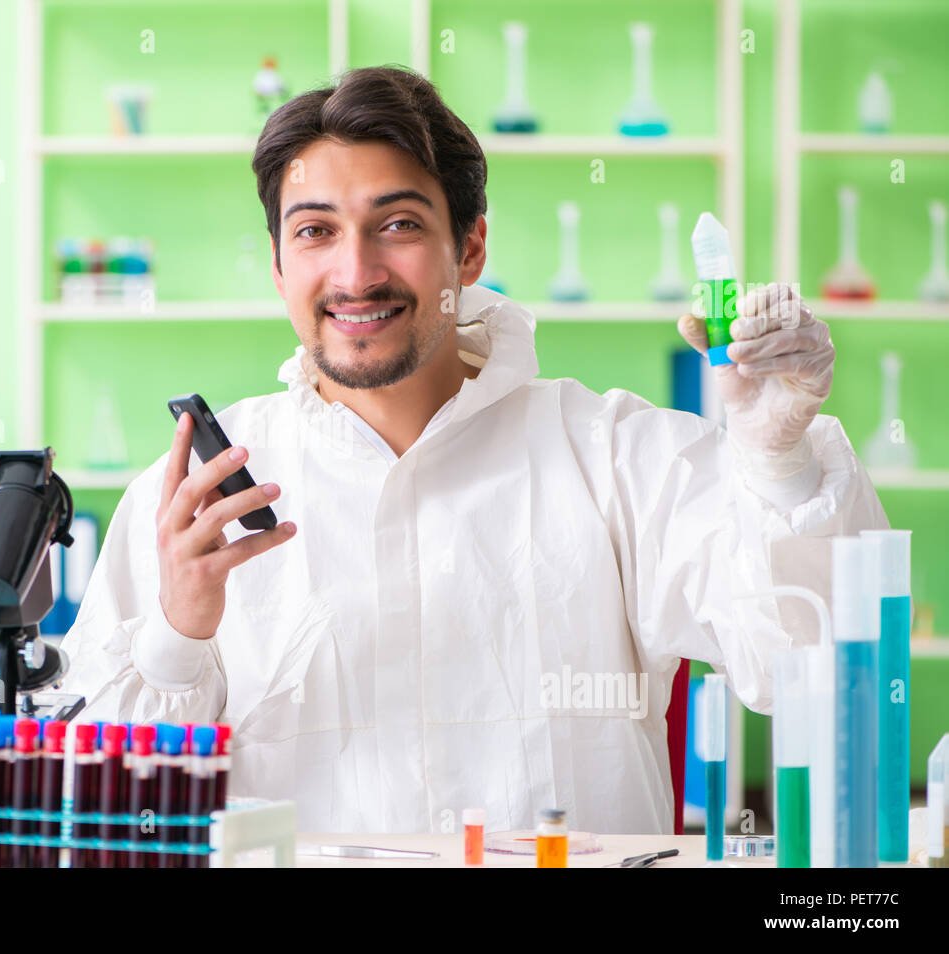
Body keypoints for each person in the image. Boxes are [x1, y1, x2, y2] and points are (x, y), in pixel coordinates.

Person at [58, 66, 887, 834]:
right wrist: (175, 634)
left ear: (471, 249)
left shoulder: (612, 455)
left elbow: (806, 667)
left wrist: (779, 460)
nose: (356, 271)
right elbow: (104, 812)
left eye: (399, 223)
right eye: (315, 231)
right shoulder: (196, 499)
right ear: (278, 266)